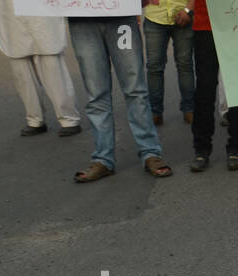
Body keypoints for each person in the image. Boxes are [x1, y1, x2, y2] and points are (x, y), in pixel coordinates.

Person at [66, 14, 172, 181]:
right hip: (82, 19)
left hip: (121, 16)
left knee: (135, 91)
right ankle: (103, 159)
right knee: (96, 94)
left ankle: (150, 153)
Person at [0, 0, 82, 138]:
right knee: (20, 68)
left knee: (51, 60)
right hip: (8, 8)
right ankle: (34, 119)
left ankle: (68, 119)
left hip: (41, 9)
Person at [189, 0, 238, 171]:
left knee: (237, 86)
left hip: (237, 23)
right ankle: (201, 149)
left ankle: (236, 147)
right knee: (205, 89)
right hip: (205, 25)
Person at [142, 0, 195, 125]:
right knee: (154, 67)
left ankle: (189, 109)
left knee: (185, 65)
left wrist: (189, 10)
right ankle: (155, 112)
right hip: (154, 16)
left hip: (183, 13)